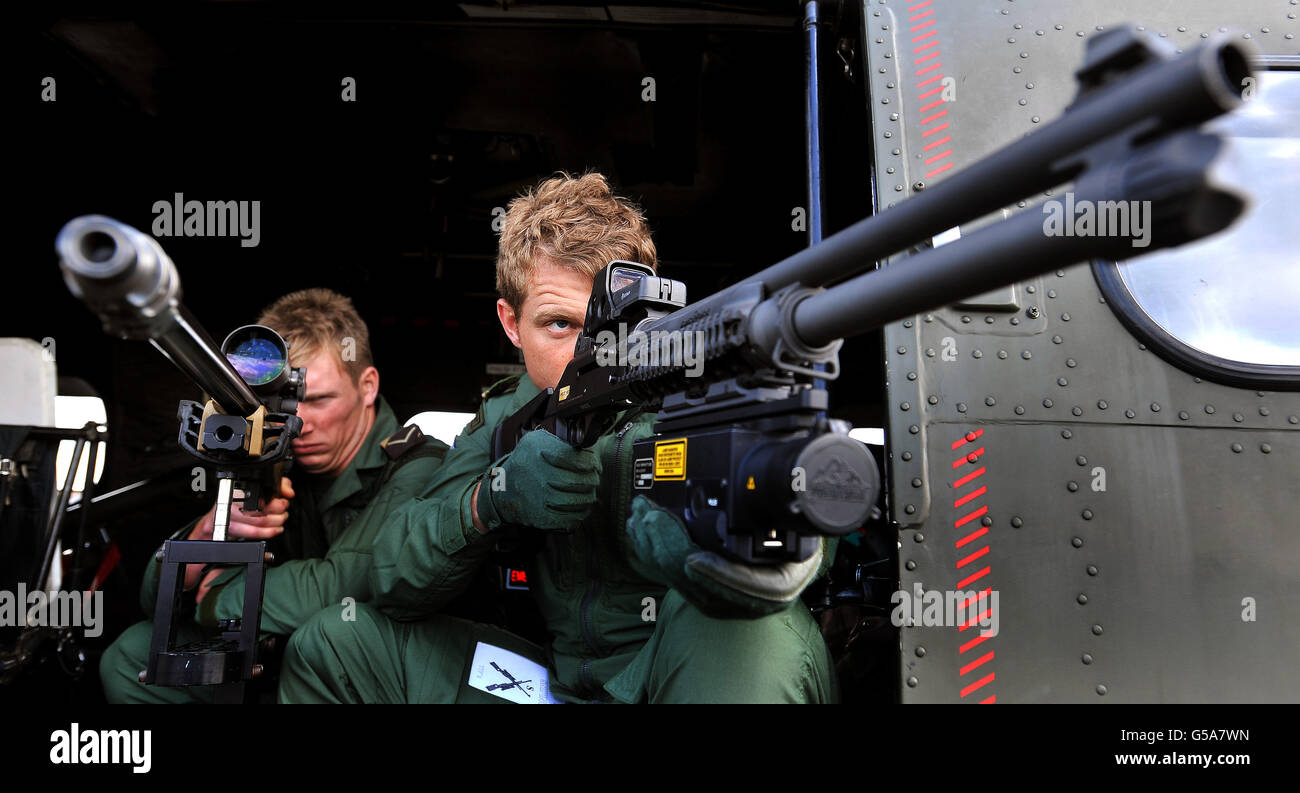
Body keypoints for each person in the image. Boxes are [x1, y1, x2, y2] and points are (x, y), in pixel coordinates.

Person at [279, 172, 837, 704]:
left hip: (678, 674)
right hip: (553, 683)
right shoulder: (507, 414)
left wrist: (737, 542)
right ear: (510, 322)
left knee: (749, 625)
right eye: (559, 325)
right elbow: (392, 574)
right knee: (336, 643)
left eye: (607, 330)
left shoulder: (698, 387)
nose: (585, 354)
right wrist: (489, 500)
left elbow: (810, 514)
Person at [99, 288, 448, 703]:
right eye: (285, 406)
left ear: (367, 386)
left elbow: (348, 583)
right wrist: (209, 533)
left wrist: (218, 600)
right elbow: (153, 606)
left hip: (368, 666)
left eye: (319, 400)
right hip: (279, 647)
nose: (301, 424)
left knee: (326, 638)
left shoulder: (418, 465)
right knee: (131, 656)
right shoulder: (270, 456)